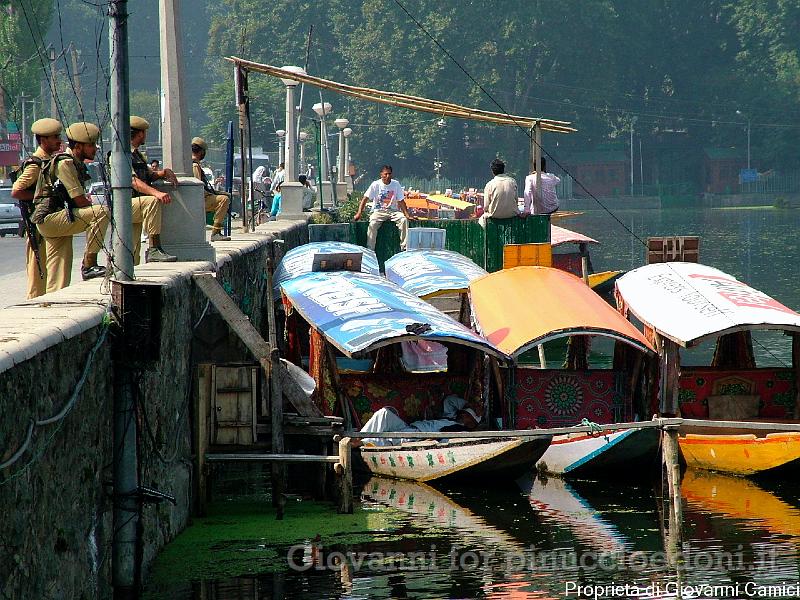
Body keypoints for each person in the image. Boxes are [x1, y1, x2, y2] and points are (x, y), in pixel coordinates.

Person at [30, 121, 110, 293]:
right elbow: (79, 200)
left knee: (59, 274)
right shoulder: (65, 163)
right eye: (90, 145)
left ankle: (51, 306)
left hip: (56, 218)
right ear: (78, 147)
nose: (95, 149)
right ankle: (89, 264)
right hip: (51, 218)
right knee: (102, 212)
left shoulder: (74, 162)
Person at [11, 118, 62, 298]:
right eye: (54, 137)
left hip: (49, 221)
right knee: (37, 275)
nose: (59, 140)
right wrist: (41, 197)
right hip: (37, 226)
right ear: (43, 139)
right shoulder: (36, 164)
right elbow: (16, 191)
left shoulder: (51, 160)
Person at [129, 116, 177, 263]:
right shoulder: (121, 154)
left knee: (132, 251)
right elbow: (132, 180)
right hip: (125, 204)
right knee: (153, 201)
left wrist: (163, 173)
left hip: (137, 202)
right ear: (140, 134)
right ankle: (154, 248)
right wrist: (157, 193)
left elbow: (148, 175)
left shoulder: (137, 154)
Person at [358, 403, 481, 447]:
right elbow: (450, 400)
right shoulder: (450, 417)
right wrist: (468, 404)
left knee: (388, 439)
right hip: (410, 427)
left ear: (471, 424)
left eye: (468, 416)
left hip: (416, 436)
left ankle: (362, 443)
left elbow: (444, 437)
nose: (463, 415)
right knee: (384, 413)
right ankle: (359, 438)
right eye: (465, 413)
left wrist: (430, 440)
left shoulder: (459, 429)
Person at [353, 164, 410, 251]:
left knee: (403, 220)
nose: (388, 176)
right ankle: (370, 249)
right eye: (386, 174)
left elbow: (401, 201)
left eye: (390, 174)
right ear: (381, 175)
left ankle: (404, 248)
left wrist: (407, 215)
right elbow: (365, 199)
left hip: (393, 211)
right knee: (372, 224)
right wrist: (359, 213)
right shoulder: (375, 184)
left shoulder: (396, 184)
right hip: (378, 211)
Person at [191, 136, 231, 241]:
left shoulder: (194, 164)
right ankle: (216, 231)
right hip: (199, 199)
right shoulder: (195, 165)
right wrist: (213, 195)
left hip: (201, 197)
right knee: (224, 200)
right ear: (201, 152)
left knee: (225, 196)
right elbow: (197, 187)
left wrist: (217, 192)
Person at [479, 158, 520, 228]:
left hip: (495, 215)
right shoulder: (512, 182)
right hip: (512, 214)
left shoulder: (490, 184)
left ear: (492, 171)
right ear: (503, 169)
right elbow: (516, 200)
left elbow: (486, 207)